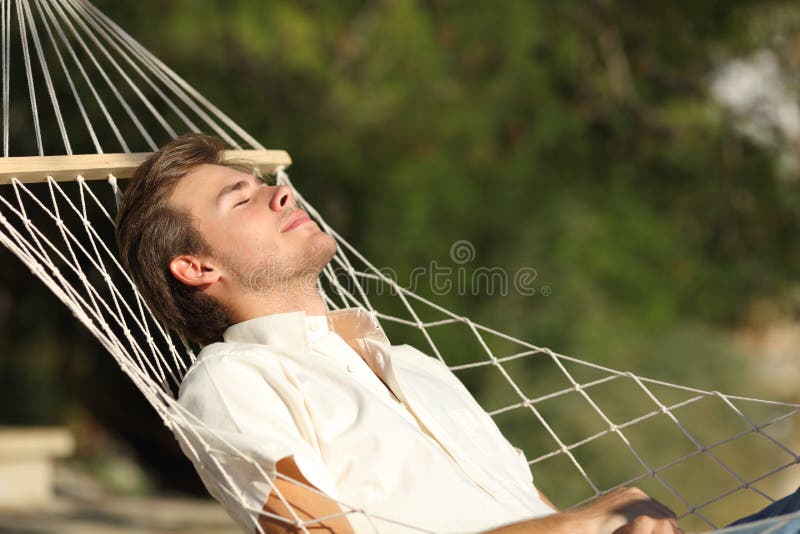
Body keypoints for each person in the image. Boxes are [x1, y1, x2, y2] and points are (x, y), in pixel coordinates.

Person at [114, 133, 791, 534]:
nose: (282, 193)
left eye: (268, 183)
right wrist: (585, 521)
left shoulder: (410, 362)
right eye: (243, 198)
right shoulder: (232, 386)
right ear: (195, 266)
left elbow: (530, 511)